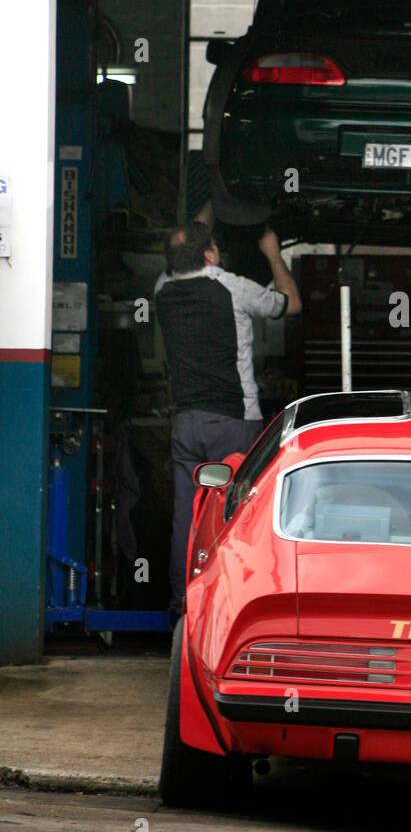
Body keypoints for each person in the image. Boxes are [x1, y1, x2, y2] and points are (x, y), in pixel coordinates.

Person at [155, 219, 301, 615]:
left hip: (186, 422)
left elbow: (187, 241)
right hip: (234, 422)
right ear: (209, 254)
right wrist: (272, 253)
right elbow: (292, 303)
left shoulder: (162, 289)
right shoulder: (233, 287)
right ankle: (227, 607)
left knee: (186, 518)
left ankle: (183, 606)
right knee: (236, 515)